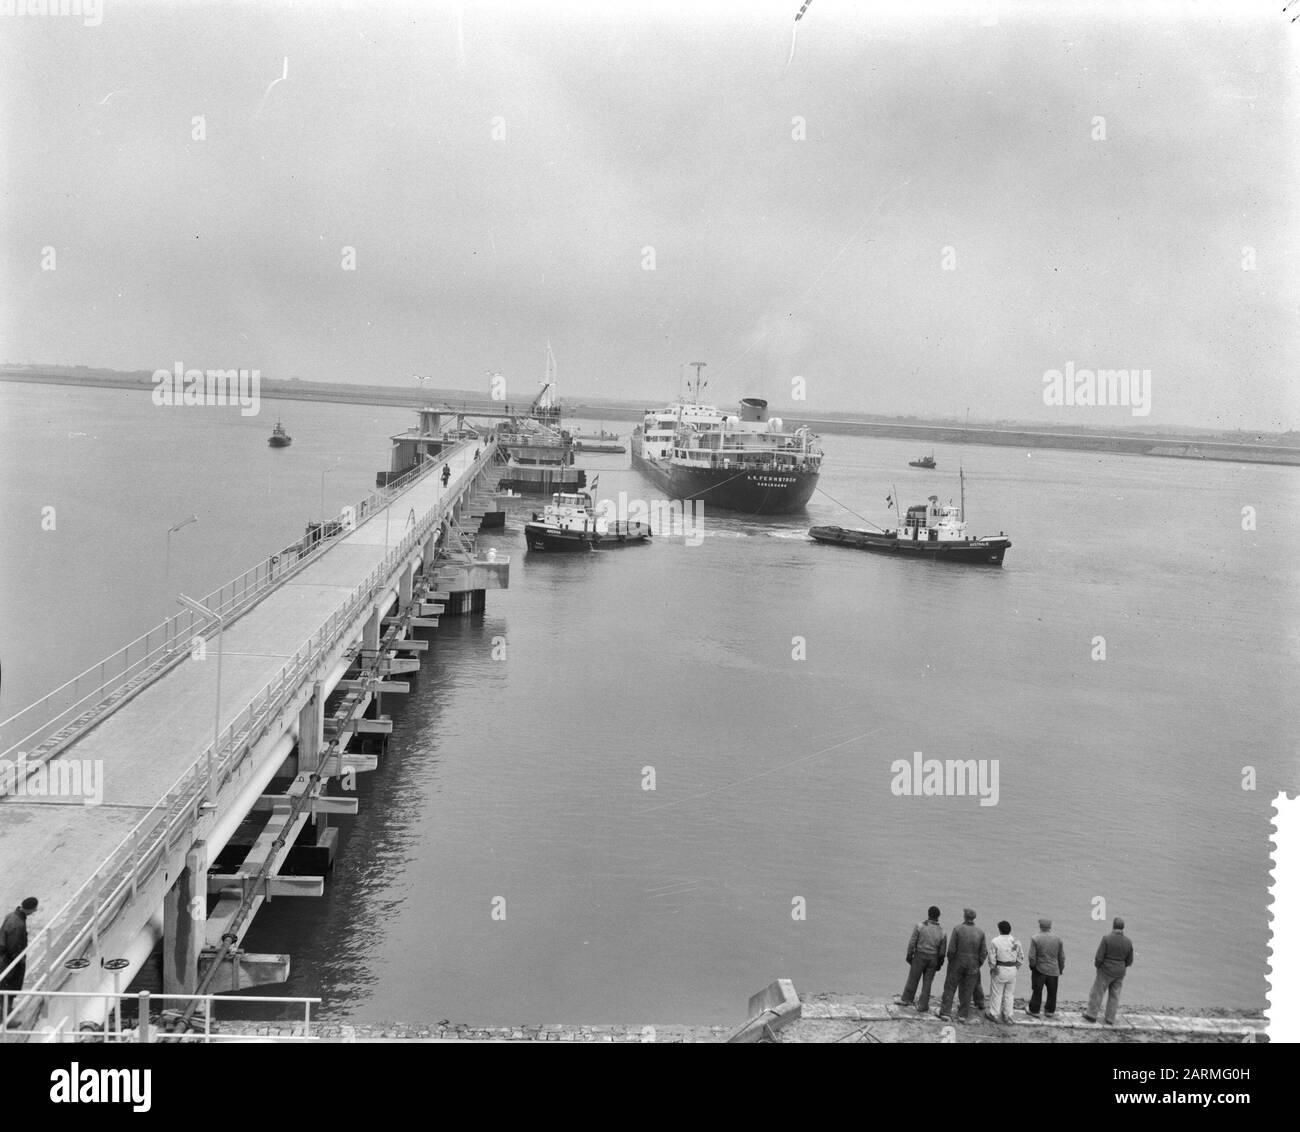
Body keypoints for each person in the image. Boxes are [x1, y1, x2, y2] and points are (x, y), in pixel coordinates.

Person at [937, 908, 987, 1022]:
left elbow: (951, 950)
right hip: (973, 964)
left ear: (964, 917)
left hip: (957, 962)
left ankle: (945, 1012)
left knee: (950, 987)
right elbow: (983, 952)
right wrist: (978, 963)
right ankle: (962, 1015)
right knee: (968, 990)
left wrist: (951, 961)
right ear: (974, 918)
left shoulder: (957, 929)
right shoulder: (980, 932)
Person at [895, 906, 945, 1013]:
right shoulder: (942, 932)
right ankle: (922, 1005)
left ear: (928, 914)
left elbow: (912, 943)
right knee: (927, 982)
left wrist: (909, 955)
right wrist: (939, 964)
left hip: (920, 956)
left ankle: (907, 999)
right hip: (933, 958)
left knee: (913, 978)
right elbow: (942, 952)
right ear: (938, 917)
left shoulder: (920, 926)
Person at [1085, 917, 1134, 1024]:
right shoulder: (1128, 942)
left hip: (1105, 970)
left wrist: (1098, 966)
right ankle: (1110, 1018)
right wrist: (1121, 966)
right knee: (1115, 995)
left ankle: (1091, 1015)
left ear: (1113, 926)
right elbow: (1130, 961)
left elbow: (1099, 956)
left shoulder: (1106, 938)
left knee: (1098, 992)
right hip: (1120, 972)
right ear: (1123, 928)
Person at [986, 920, 1025, 1024]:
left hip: (1000, 968)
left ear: (999, 929)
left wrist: (993, 967)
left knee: (997, 992)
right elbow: (1021, 957)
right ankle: (1007, 1015)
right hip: (1012, 969)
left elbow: (991, 957)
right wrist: (1016, 967)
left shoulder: (995, 941)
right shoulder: (1016, 941)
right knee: (1009, 994)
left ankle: (994, 1014)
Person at [1027, 917, 1065, 1018]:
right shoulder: (1058, 939)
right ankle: (1050, 1011)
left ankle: (1034, 1010)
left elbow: (1032, 956)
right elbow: (1061, 956)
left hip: (1040, 969)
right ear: (1050, 927)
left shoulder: (1035, 938)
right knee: (1052, 992)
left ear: (1040, 926)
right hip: (1054, 969)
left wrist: (1032, 966)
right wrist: (1061, 968)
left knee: (1037, 991)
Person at [0, 897, 38, 993]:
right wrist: (20, 962)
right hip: (9, 960)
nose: (35, 911)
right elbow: (13, 947)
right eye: (34, 909)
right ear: (30, 909)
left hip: (4, 956)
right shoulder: (18, 924)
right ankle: (7, 1007)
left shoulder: (11, 916)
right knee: (10, 986)